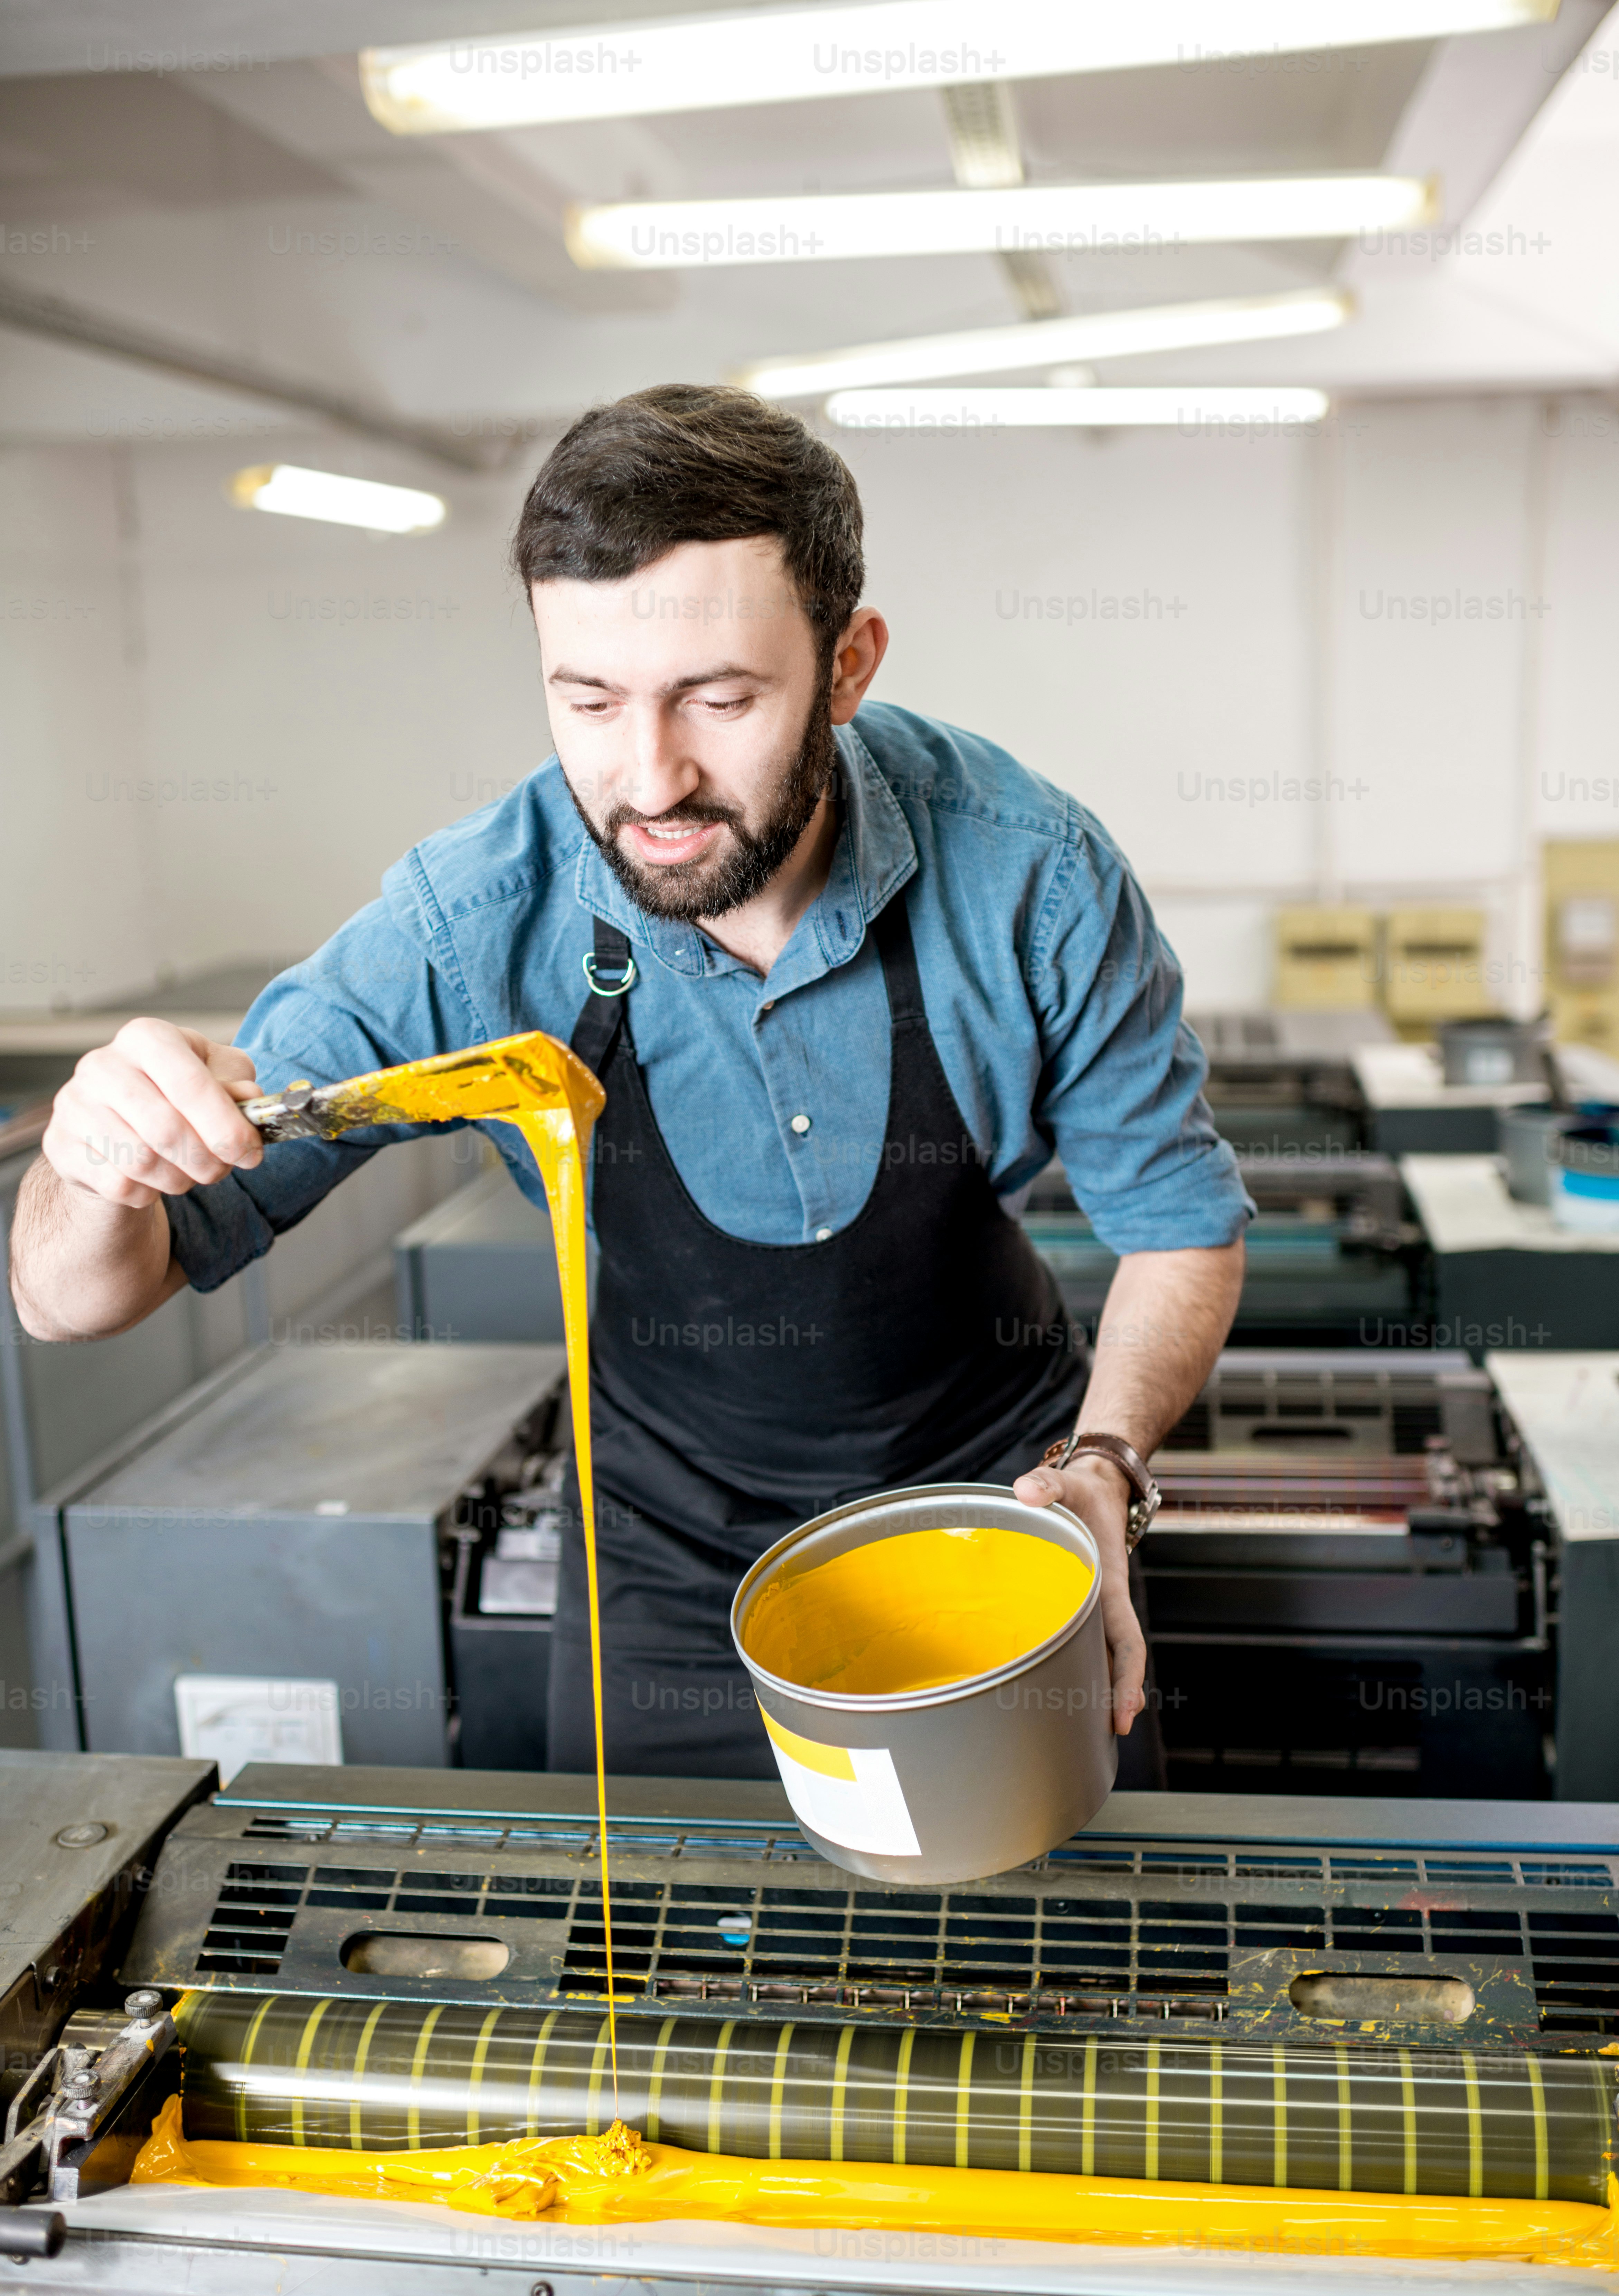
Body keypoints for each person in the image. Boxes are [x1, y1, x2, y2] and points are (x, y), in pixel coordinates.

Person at [11, 384, 1249, 1784]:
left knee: (1045, 1952)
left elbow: (1176, 1226)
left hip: (996, 1511)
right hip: (668, 1564)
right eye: (587, 701)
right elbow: (68, 1302)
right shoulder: (473, 920)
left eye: (717, 700)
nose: (647, 778)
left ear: (847, 666)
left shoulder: (1029, 875)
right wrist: (93, 1159)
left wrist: (1104, 1462)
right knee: (665, 1968)